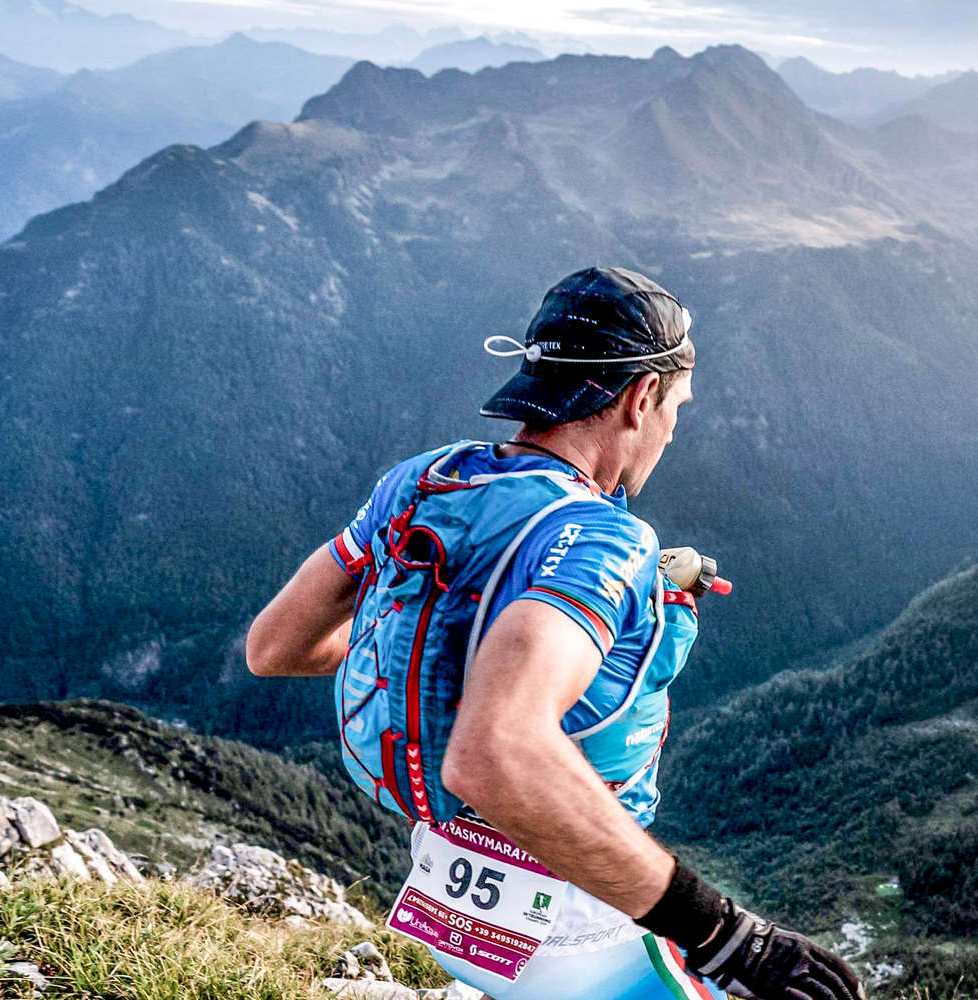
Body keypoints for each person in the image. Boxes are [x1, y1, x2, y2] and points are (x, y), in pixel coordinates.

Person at [244, 267, 864, 1000]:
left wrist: (446, 666)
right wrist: (725, 934)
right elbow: (493, 751)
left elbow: (275, 645)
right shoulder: (608, 543)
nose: (672, 428)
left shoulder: (420, 483)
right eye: (678, 407)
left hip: (447, 899)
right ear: (640, 398)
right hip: (582, 933)